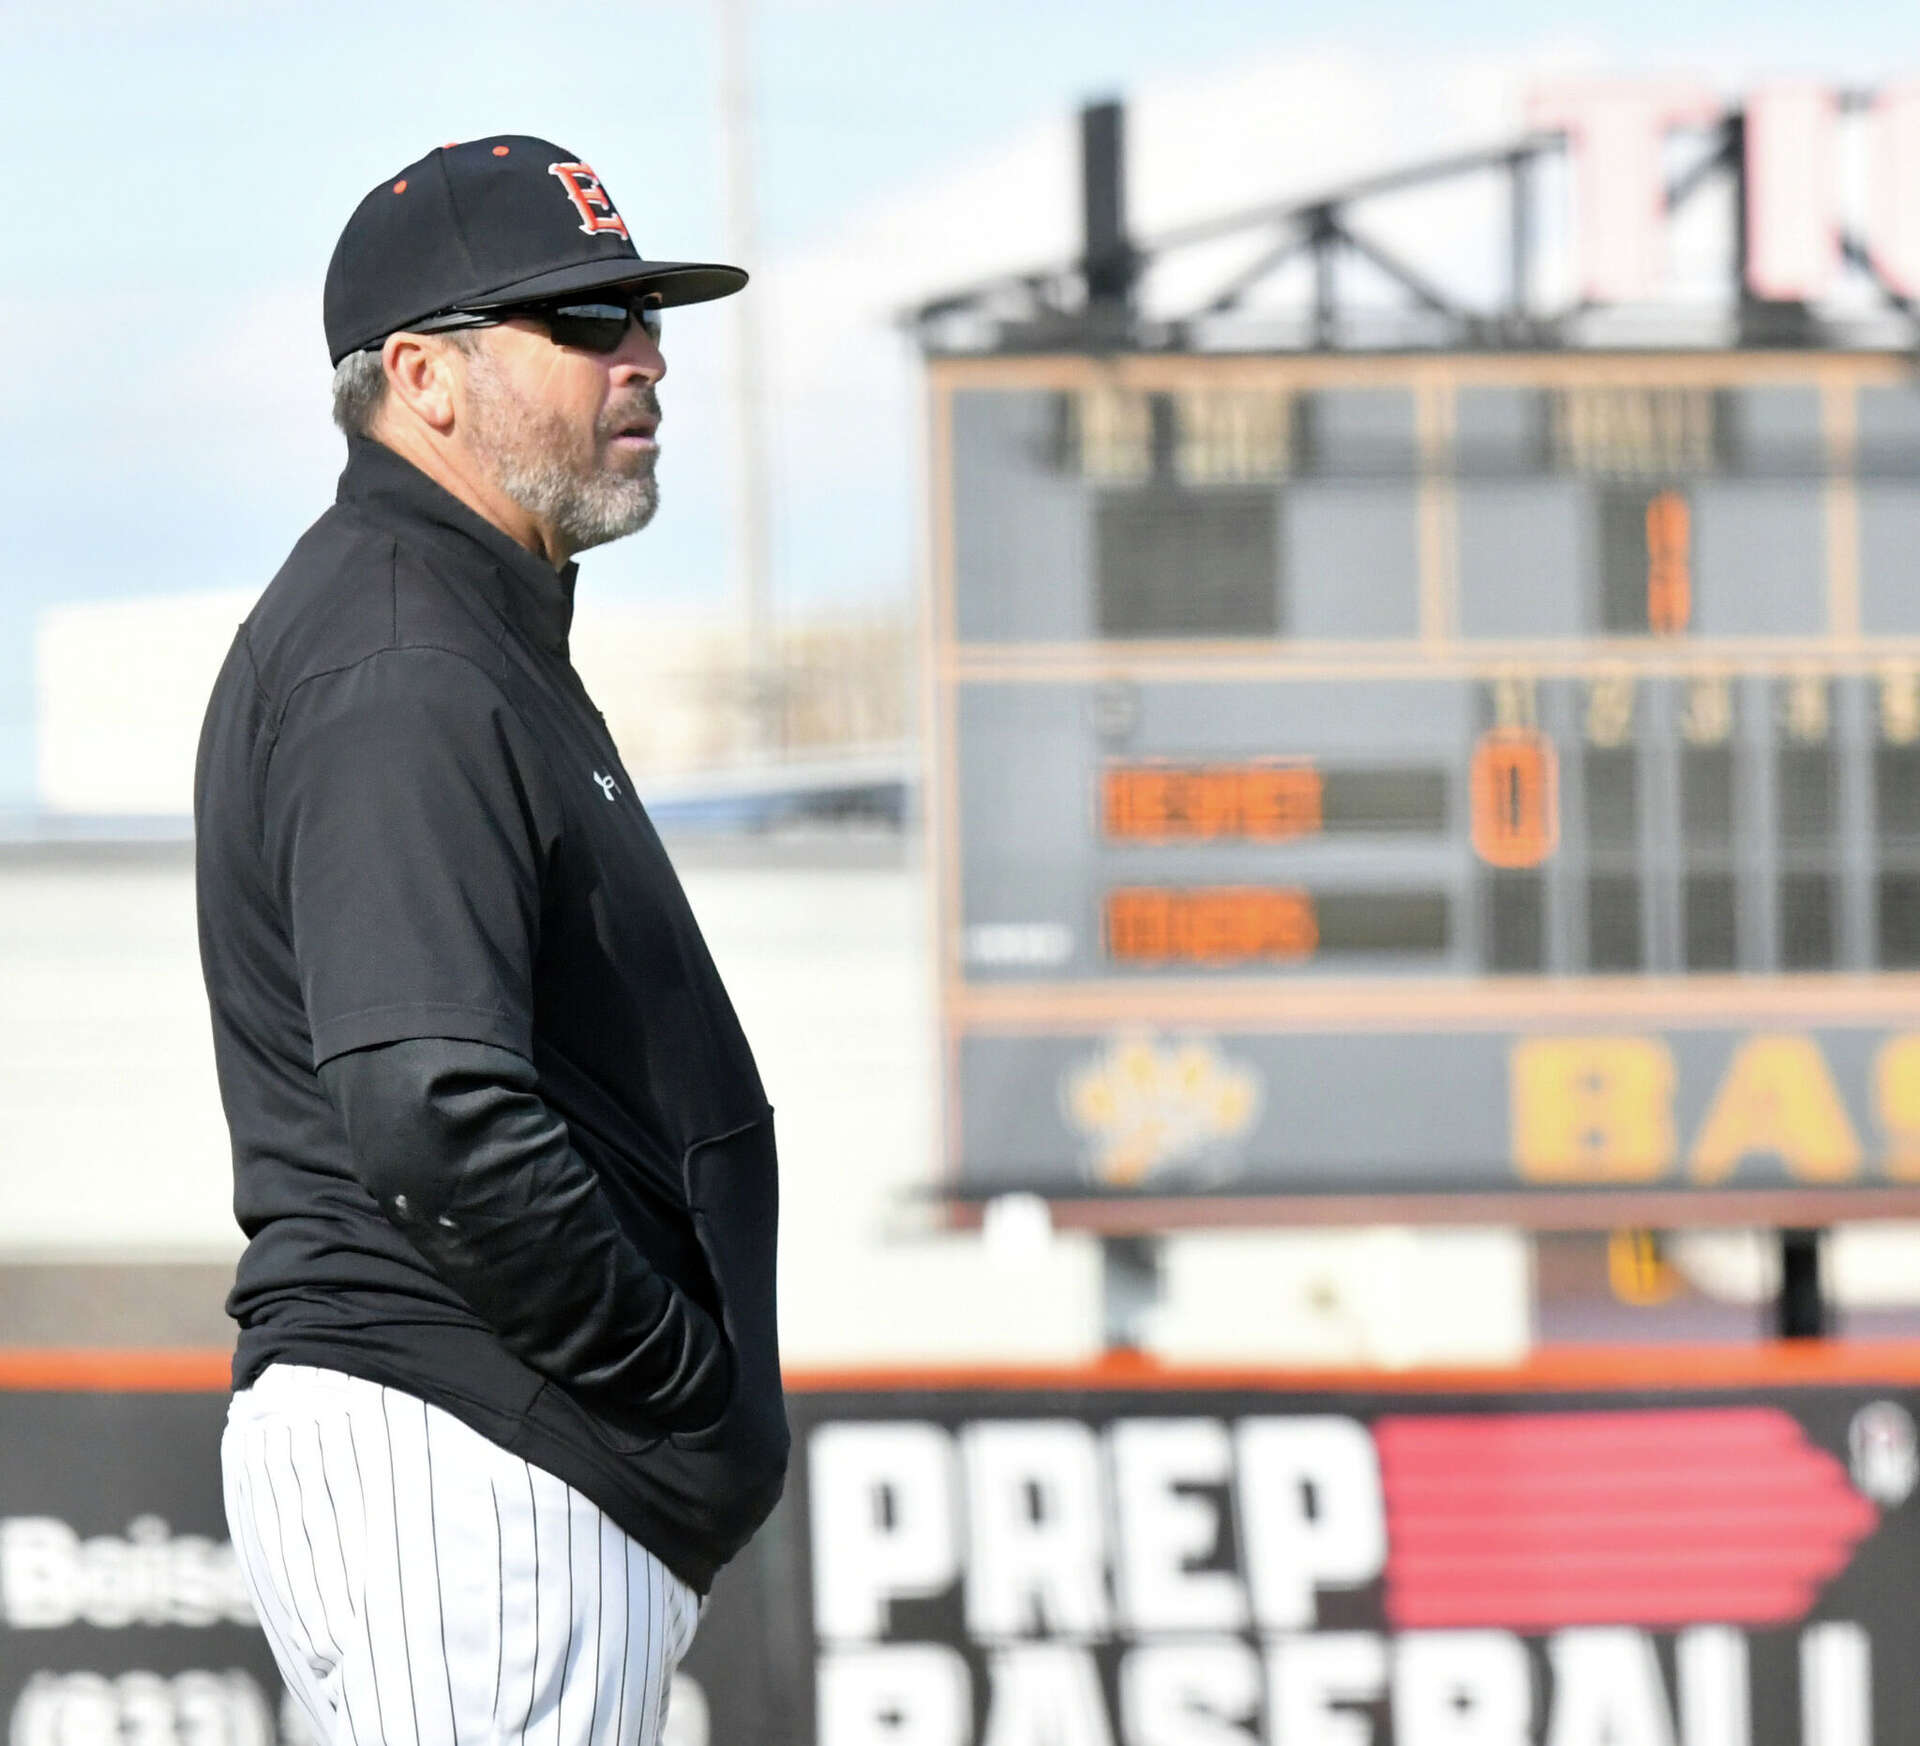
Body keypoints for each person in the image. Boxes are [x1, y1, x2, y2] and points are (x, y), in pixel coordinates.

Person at [194, 136, 787, 1746]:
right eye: (586, 318)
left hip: (490, 1462)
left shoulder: (460, 622)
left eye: (644, 315)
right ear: (421, 377)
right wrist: (674, 1376)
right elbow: (435, 1115)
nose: (645, 353)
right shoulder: (401, 651)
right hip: (472, 1457)